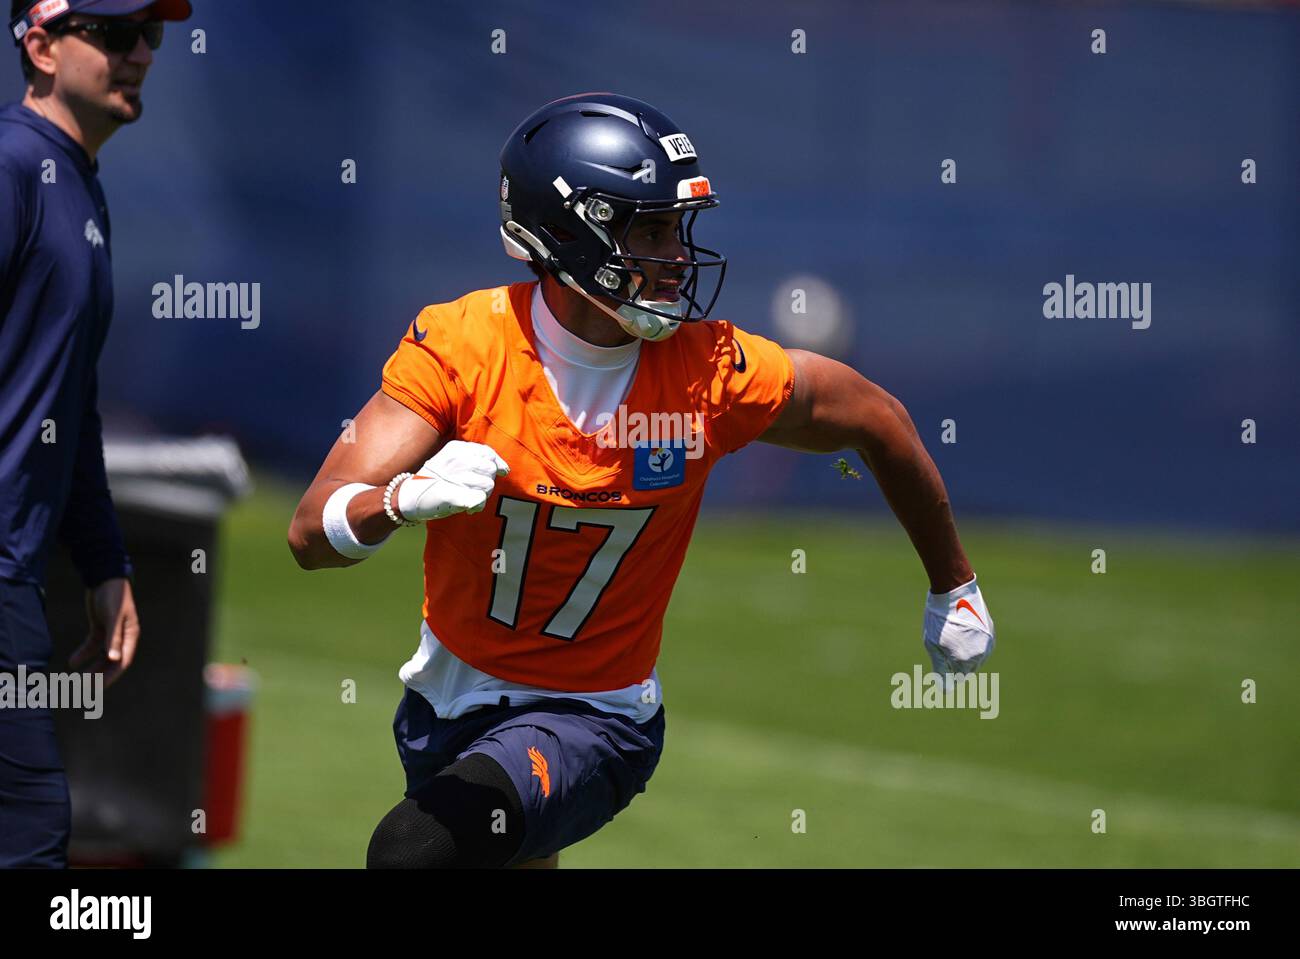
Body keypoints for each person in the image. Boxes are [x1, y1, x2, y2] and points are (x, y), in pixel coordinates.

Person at [288, 92, 996, 869]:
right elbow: (311, 533)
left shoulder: (710, 373)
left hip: (596, 717)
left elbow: (876, 417)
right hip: (445, 701)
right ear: (567, 232)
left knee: (412, 852)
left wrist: (952, 582)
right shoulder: (464, 347)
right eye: (649, 229)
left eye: (677, 229)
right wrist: (400, 500)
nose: (677, 256)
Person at [0, 0, 191, 868]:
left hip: (18, 572)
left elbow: (68, 410)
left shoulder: (77, 184)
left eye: (151, 35)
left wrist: (106, 563)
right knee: (32, 832)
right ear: (39, 45)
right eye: (116, 35)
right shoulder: (9, 167)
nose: (142, 54)